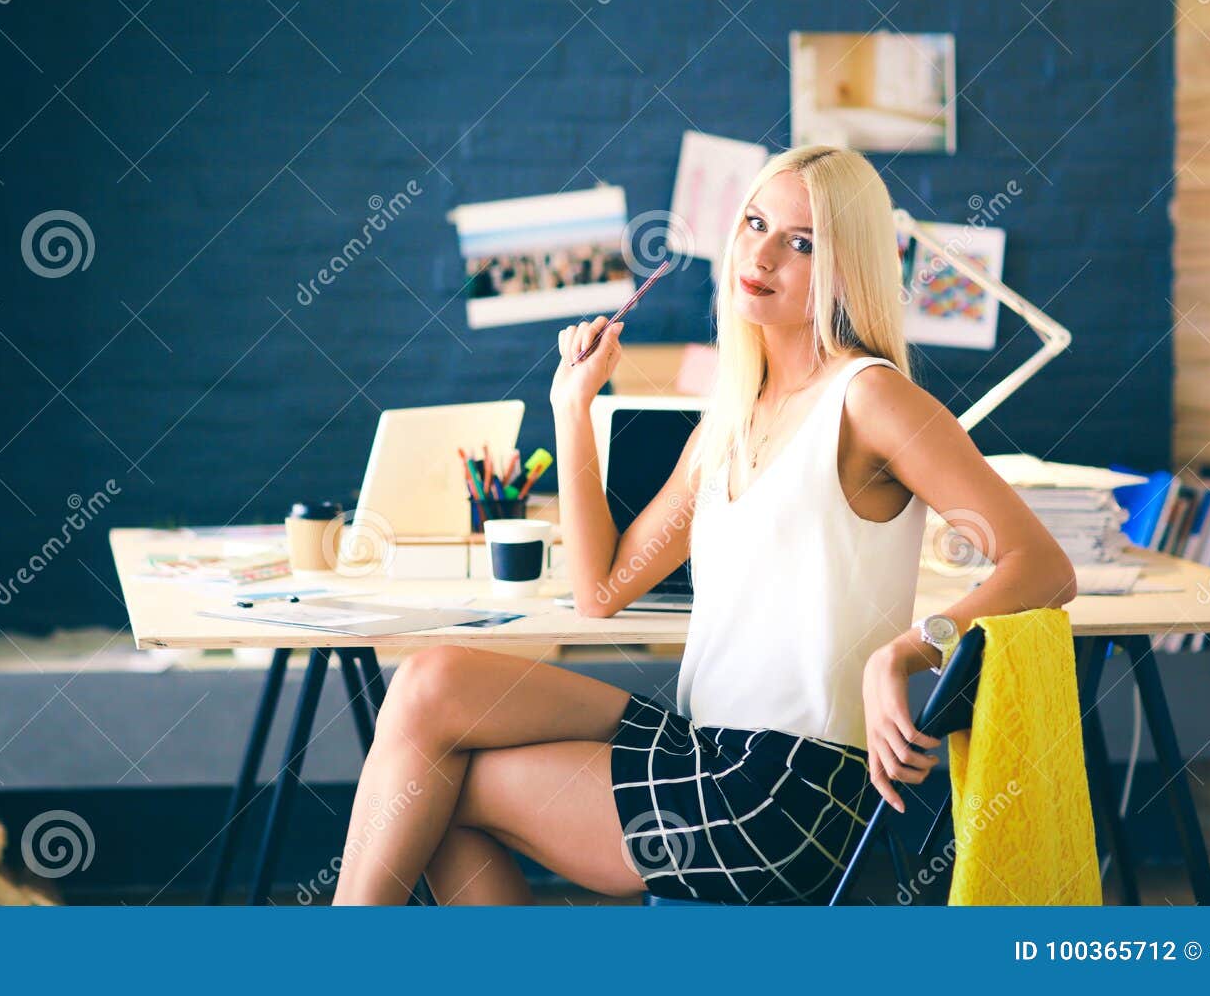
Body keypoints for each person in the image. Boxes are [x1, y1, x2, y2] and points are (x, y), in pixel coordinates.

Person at [331, 145, 1076, 905]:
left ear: (846, 267)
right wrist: (570, 406)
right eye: (755, 222)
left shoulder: (870, 399)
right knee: (429, 686)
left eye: (802, 241)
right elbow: (601, 589)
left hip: (791, 788)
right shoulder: (727, 418)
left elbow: (1043, 565)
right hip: (706, 743)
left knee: (430, 790)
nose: (763, 253)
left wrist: (909, 652)